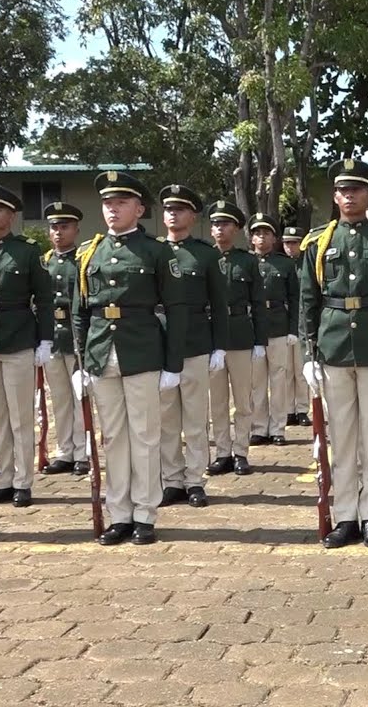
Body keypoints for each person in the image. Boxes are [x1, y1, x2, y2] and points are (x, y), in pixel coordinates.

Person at [299, 159, 368, 550]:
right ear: (335, 197)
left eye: (358, 190)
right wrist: (308, 351)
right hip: (332, 347)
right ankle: (345, 514)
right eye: (343, 190)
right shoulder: (318, 242)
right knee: (342, 437)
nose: (350, 196)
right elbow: (308, 299)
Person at [73, 170, 187, 545]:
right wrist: (80, 362)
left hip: (141, 350)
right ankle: (118, 513)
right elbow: (81, 312)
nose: (112, 209)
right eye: (107, 203)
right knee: (114, 438)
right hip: (101, 352)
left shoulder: (156, 252)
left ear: (139, 208)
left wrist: (172, 365)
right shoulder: (90, 253)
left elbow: (176, 309)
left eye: (121, 202)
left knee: (145, 436)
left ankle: (145, 514)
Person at [0, 183, 54, 509]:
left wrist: (45, 339)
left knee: (20, 417)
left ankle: (23, 482)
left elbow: (44, 300)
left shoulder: (28, 251)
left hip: (18, 338)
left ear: (11, 215)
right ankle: (1, 480)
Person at [156, 185, 228, 510]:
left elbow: (220, 303)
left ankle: (195, 479)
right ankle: (171, 480)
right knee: (166, 418)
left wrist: (219, 346)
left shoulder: (206, 254)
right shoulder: (153, 252)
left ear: (192, 216)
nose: (173, 214)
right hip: (159, 343)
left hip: (196, 341)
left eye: (180, 209)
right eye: (169, 209)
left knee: (195, 418)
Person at [208, 200, 269, 481]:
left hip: (241, 333)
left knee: (243, 399)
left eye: (225, 224)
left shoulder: (247, 261)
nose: (220, 229)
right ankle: (222, 452)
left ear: (236, 228)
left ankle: (241, 451)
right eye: (216, 224)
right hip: (210, 337)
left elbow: (258, 303)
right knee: (217, 401)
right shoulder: (204, 258)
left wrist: (260, 340)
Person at [41, 202, 91, 476]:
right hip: (53, 336)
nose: (59, 233)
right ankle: (65, 451)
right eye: (54, 227)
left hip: (75, 335)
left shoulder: (83, 259)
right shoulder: (45, 261)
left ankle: (82, 452)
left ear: (76, 229)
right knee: (59, 398)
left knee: (79, 396)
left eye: (64, 227)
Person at [248, 213, 300, 447]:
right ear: (251, 238)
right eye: (257, 233)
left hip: (278, 325)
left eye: (266, 233)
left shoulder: (285, 264)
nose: (261, 237)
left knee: (278, 380)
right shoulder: (246, 262)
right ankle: (259, 427)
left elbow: (295, 299)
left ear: (274, 237)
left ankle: (278, 428)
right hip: (252, 329)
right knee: (256, 383)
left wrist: (293, 329)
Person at [281, 225, 312, 426]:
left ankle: (301, 408)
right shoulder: (280, 264)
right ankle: (288, 409)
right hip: (282, 322)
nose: (290, 247)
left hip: (302, 323)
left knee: (300, 370)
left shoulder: (306, 264)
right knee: (284, 371)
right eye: (287, 243)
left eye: (294, 243)